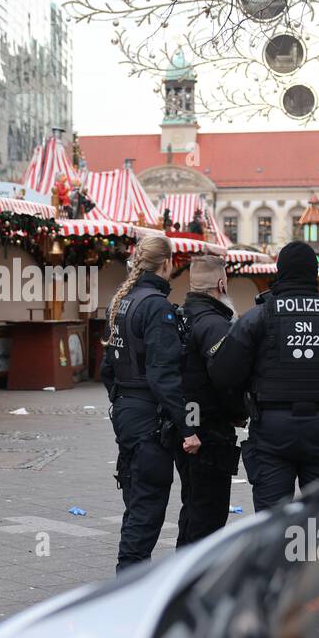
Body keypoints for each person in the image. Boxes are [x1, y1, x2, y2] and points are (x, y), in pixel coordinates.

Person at [209, 241, 319, 513]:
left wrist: (242, 406)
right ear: (313, 273)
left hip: (271, 428)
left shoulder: (258, 316)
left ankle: (279, 556)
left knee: (271, 521)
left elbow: (223, 373)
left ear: (280, 272)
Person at [101, 234, 201, 572]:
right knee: (148, 504)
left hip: (127, 411)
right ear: (168, 263)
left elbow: (107, 368)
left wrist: (122, 401)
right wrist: (187, 428)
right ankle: (127, 584)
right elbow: (163, 375)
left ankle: (129, 577)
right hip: (148, 417)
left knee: (136, 495)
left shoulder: (122, 301)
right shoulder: (156, 306)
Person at [175, 255, 246, 548]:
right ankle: (195, 582)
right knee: (209, 515)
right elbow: (228, 379)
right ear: (221, 283)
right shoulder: (217, 325)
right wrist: (240, 413)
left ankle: (180, 578)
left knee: (191, 506)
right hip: (210, 430)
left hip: (184, 427)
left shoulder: (179, 316)